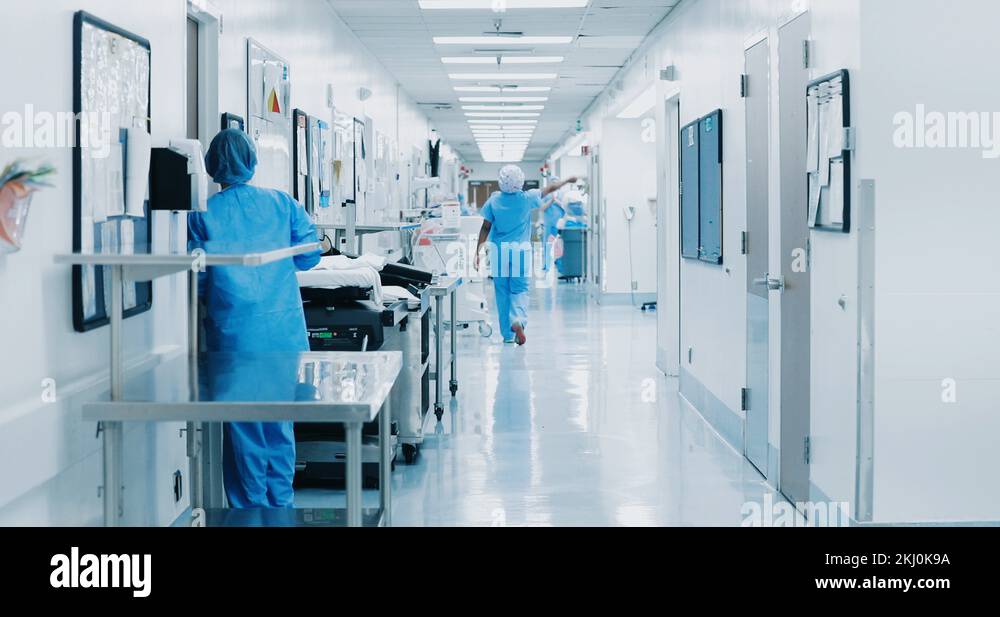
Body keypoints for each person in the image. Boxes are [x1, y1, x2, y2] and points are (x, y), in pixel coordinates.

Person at [188, 128, 323, 508]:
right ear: (253, 161)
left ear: (212, 166)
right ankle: (281, 505)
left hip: (235, 335)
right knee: (280, 421)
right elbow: (310, 257)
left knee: (245, 425)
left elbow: (198, 279)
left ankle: (249, 511)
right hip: (283, 334)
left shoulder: (203, 215)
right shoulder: (283, 204)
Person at [475, 165, 576, 345]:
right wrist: (567, 180)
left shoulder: (494, 200)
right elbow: (550, 189)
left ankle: (507, 335)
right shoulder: (526, 198)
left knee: (502, 292)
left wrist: (477, 252)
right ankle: (518, 319)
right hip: (521, 251)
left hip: (499, 252)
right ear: (520, 181)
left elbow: (485, 227)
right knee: (519, 289)